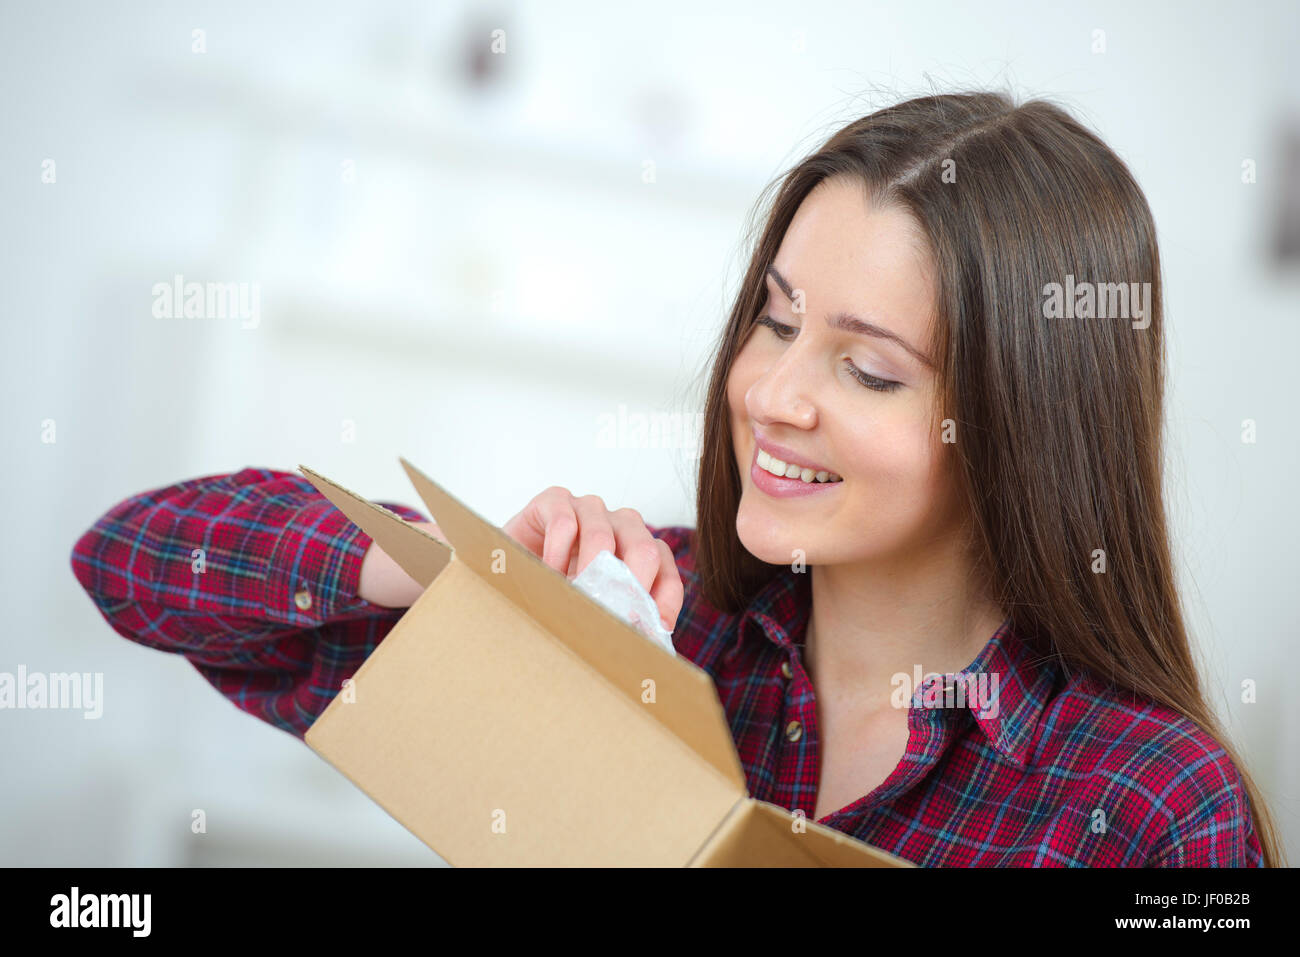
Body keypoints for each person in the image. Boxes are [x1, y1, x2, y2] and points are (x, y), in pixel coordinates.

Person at [70, 90, 1283, 867]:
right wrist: (460, 570)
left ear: (1021, 426)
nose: (770, 393)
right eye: (774, 321)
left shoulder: (1144, 803)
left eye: (866, 370)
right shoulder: (655, 623)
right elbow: (131, 561)